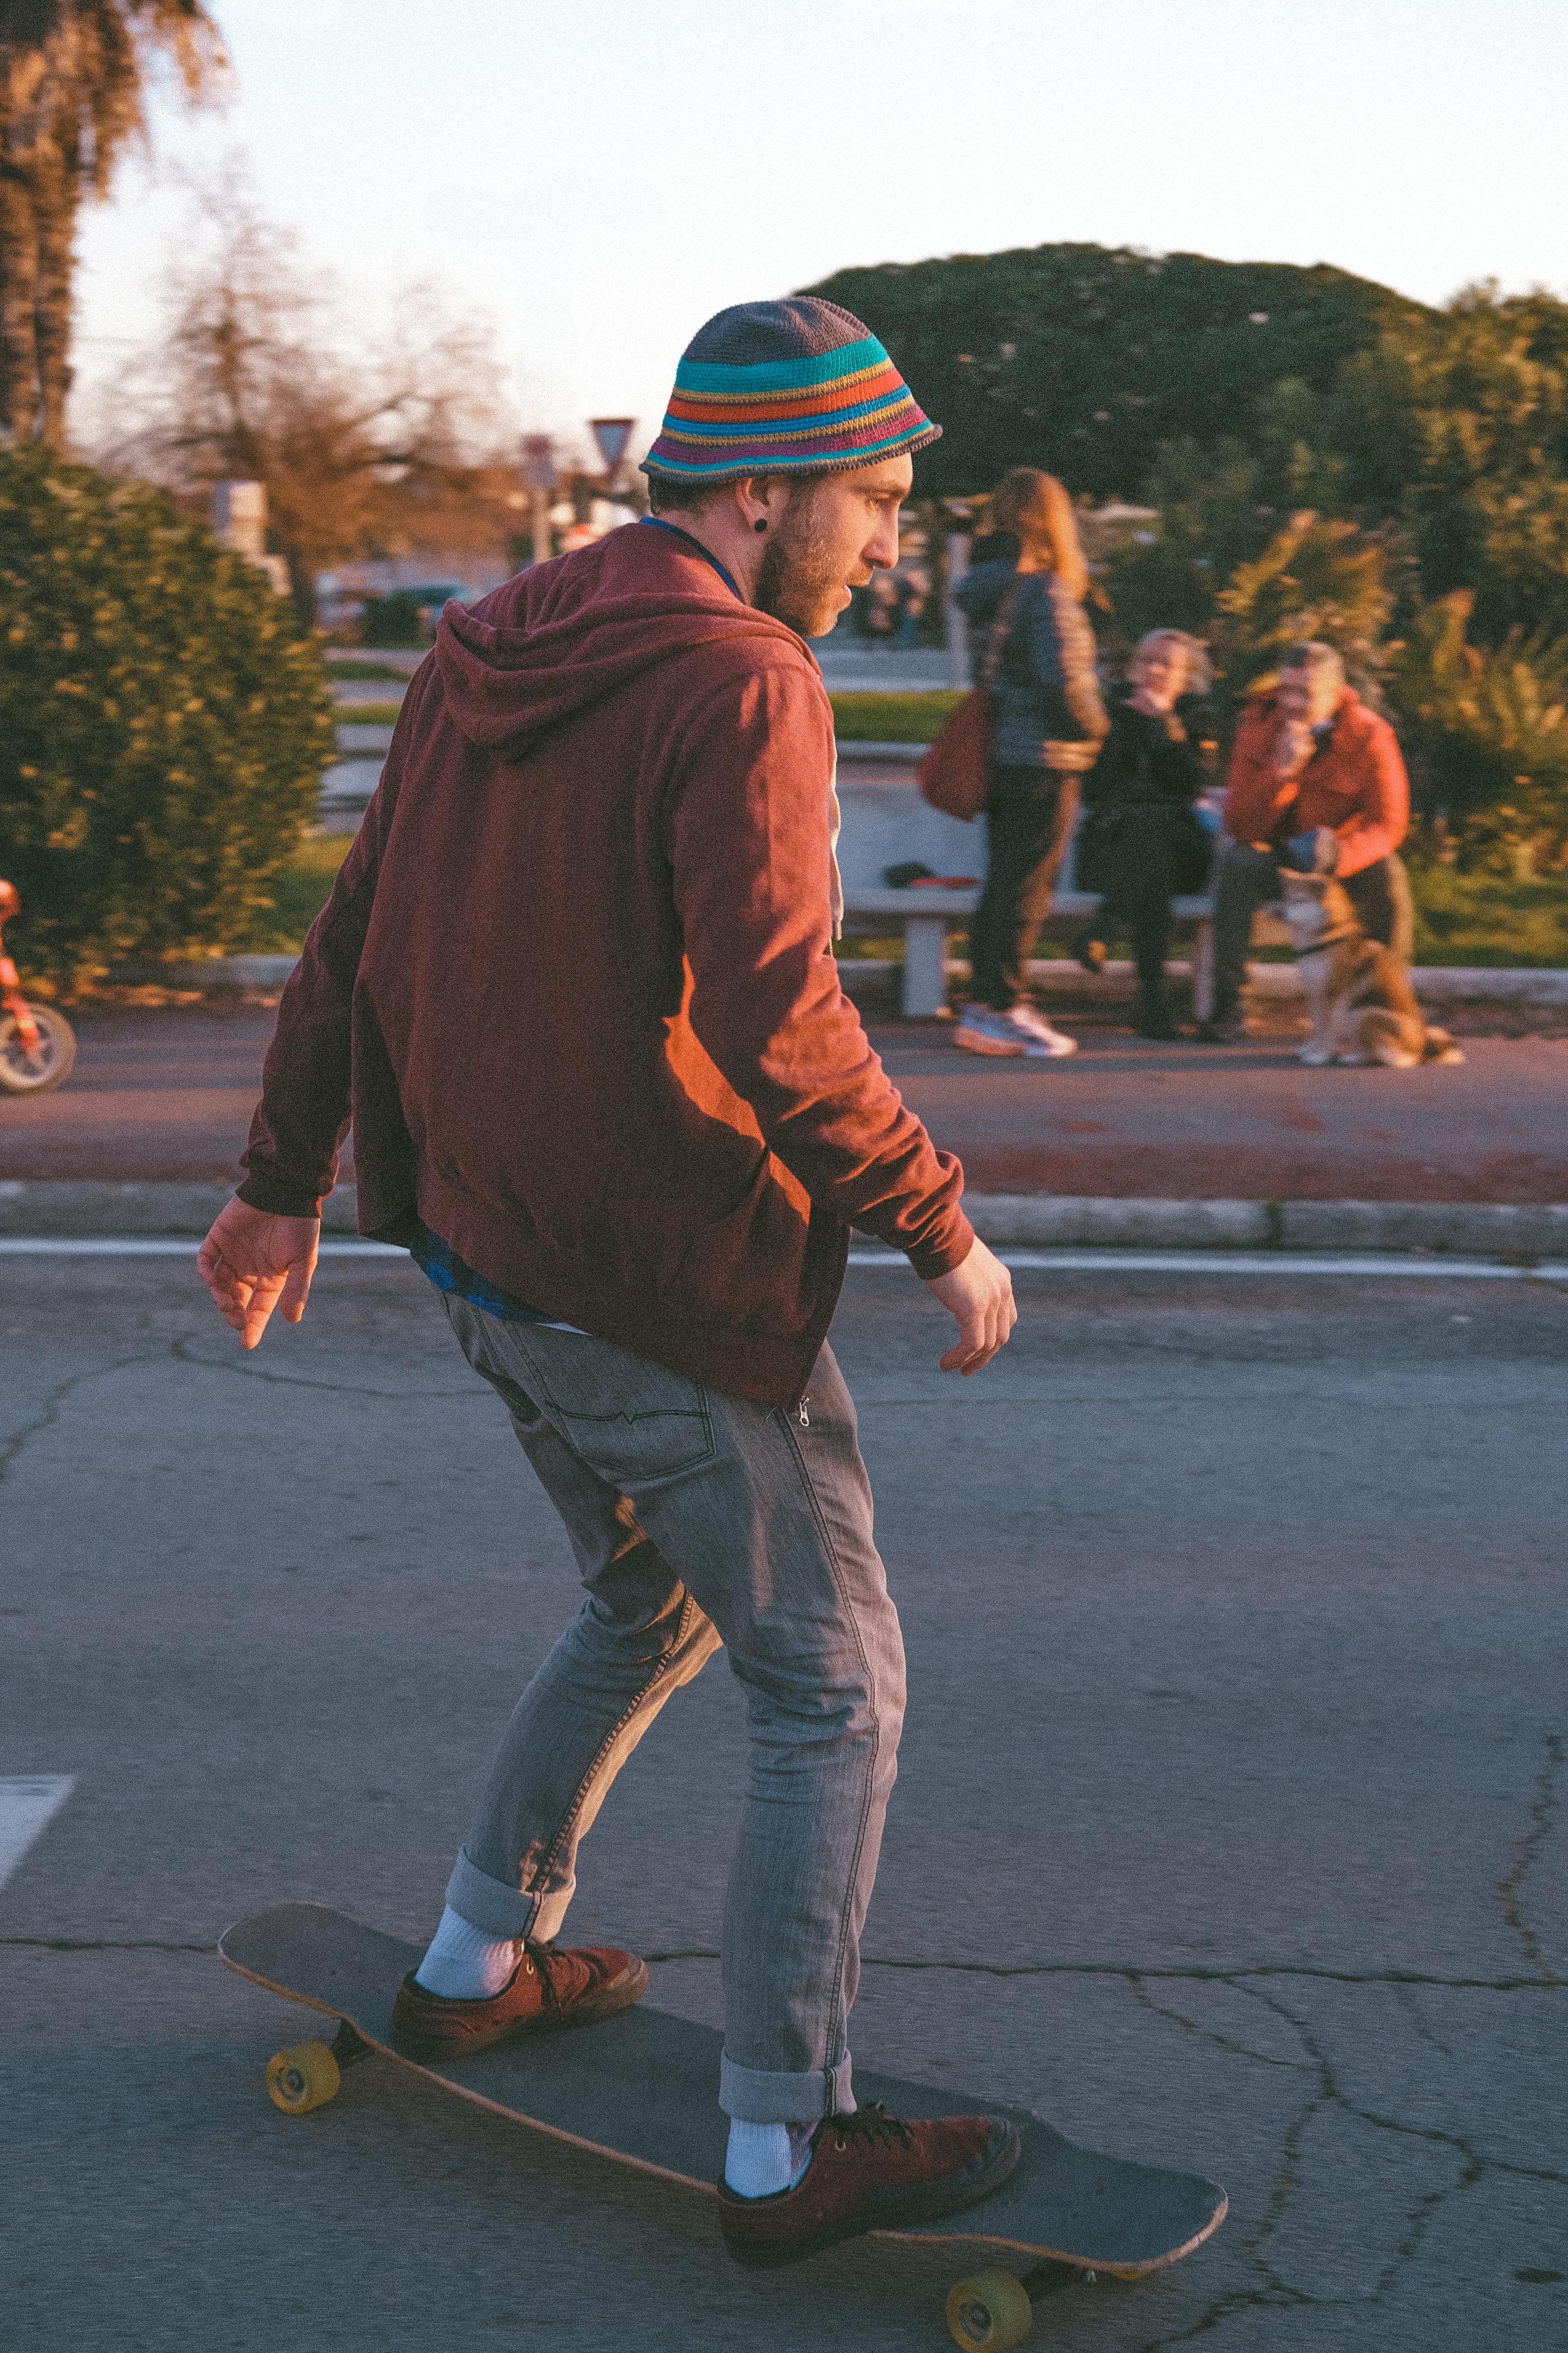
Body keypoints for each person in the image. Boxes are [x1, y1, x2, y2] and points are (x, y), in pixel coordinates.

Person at [195, 297, 1023, 2270]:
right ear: (762, 490)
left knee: (643, 1594)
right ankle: (783, 2142)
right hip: (656, 1278)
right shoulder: (739, 680)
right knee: (832, 1688)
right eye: (873, 500)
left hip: (486, 1253)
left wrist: (276, 1187)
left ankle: (479, 1950)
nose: (886, 540)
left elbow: (351, 921)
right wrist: (937, 1217)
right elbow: (775, 1008)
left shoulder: (482, 640)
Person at [953, 469, 1108, 1059]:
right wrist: (1101, 726)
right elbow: (1064, 684)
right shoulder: (1043, 591)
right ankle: (1003, 1007)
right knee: (1026, 890)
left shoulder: (987, 589)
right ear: (1055, 522)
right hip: (1045, 759)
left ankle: (983, 1003)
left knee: (1003, 881)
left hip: (1004, 755)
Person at [1199, 641, 1413, 1043]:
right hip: (1282, 856)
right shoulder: (1258, 726)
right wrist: (1280, 774)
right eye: (1287, 690)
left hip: (1340, 857)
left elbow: (1388, 823)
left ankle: (1385, 1001)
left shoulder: (1369, 734)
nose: (1293, 703)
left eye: (1306, 693)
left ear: (1336, 694)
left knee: (1390, 876)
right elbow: (1241, 826)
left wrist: (1336, 856)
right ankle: (1227, 1007)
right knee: (1238, 865)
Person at [1073, 630, 1216, 1041]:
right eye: (1147, 660)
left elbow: (1190, 786)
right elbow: (1096, 787)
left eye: (1165, 664)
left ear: (1185, 676)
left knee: (1154, 831)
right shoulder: (1109, 713)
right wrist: (1126, 725)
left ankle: (1106, 924)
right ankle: (1151, 999)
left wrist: (1164, 726)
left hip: (1180, 853)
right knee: (1148, 843)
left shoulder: (1197, 718)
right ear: (1134, 666)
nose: (1153, 670)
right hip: (1112, 848)